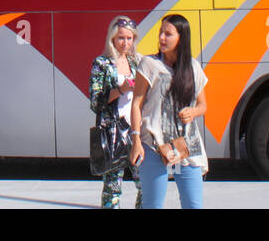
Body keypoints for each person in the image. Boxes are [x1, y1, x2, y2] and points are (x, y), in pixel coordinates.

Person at [129, 14, 208, 209]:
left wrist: (193, 112)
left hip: (186, 145)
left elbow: (203, 106)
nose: (162, 38)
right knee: (152, 205)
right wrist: (136, 140)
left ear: (182, 37)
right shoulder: (149, 64)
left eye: (168, 34)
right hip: (154, 144)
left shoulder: (193, 67)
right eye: (161, 33)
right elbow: (136, 103)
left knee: (193, 204)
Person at [88, 16, 142, 208]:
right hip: (113, 132)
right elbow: (95, 102)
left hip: (136, 131)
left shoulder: (137, 62)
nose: (125, 43)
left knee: (144, 183)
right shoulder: (102, 63)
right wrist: (121, 89)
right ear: (112, 38)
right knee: (112, 188)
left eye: (129, 38)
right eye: (121, 38)